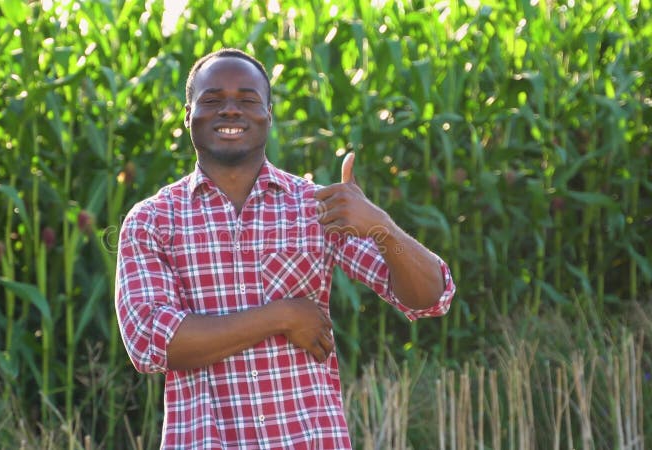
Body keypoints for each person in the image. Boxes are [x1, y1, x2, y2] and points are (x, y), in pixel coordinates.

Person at [115, 48, 455, 449]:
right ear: (188, 115)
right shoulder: (151, 221)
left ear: (268, 114)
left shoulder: (317, 207)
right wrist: (282, 316)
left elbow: (430, 297)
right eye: (211, 100)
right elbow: (151, 343)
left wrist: (381, 226)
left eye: (247, 100)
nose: (229, 110)